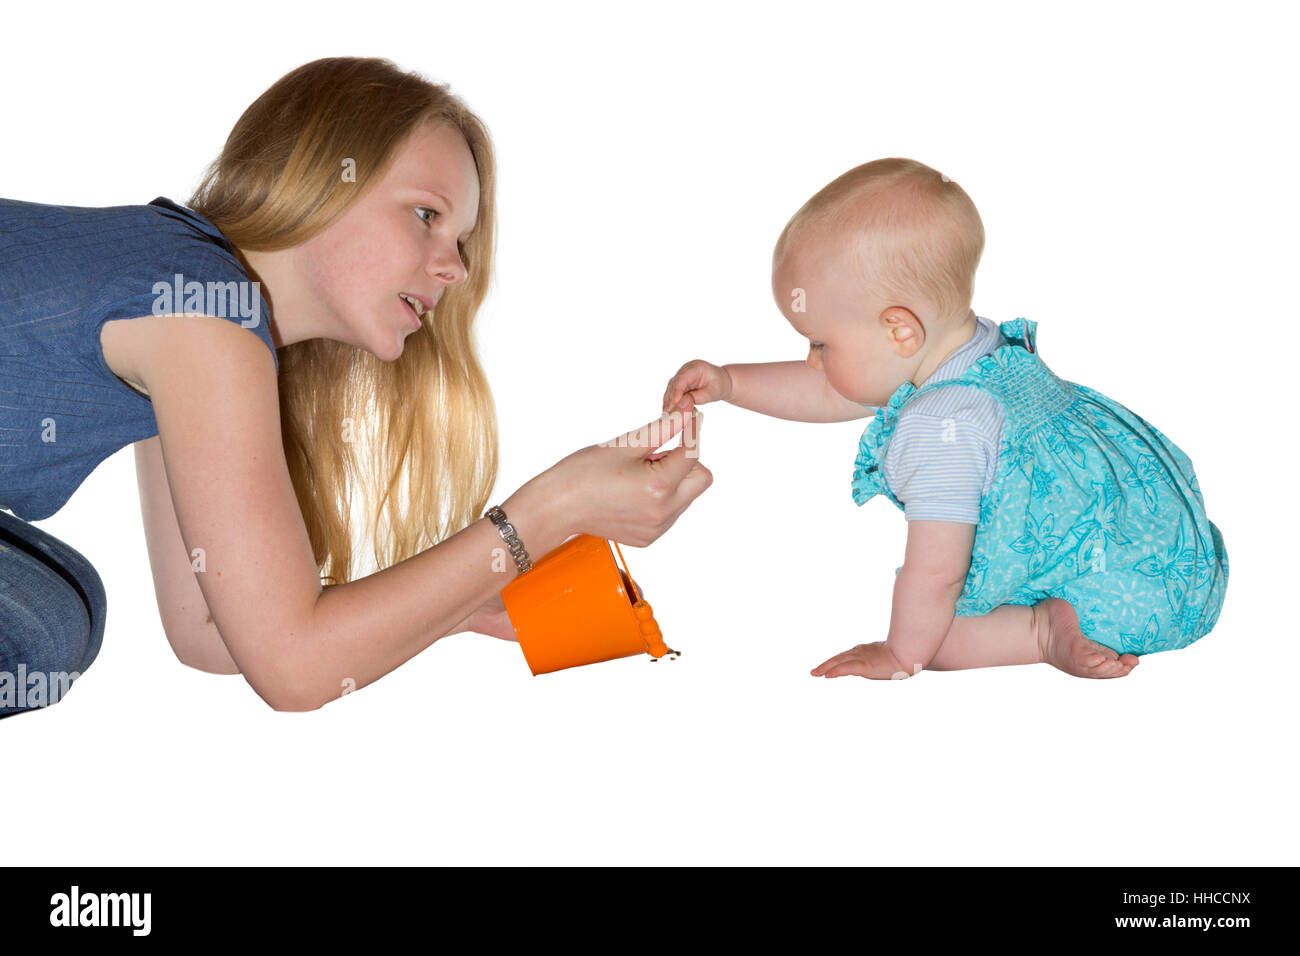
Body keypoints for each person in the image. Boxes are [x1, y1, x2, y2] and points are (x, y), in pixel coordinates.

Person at [0, 56, 710, 718]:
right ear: (318, 178)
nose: (454, 269)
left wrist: (460, 608)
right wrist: (548, 512)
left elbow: (212, 630)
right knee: (44, 625)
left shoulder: (190, 302)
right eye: (428, 215)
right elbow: (293, 669)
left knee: (57, 608)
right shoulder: (201, 313)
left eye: (461, 242)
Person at [661, 157, 1227, 680]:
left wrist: (901, 654)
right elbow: (836, 389)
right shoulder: (968, 349)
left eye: (819, 342)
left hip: (1131, 597)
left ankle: (1043, 630)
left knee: (939, 639)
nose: (813, 359)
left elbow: (936, 572)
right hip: (1173, 546)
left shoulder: (943, 428)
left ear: (899, 330)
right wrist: (729, 382)